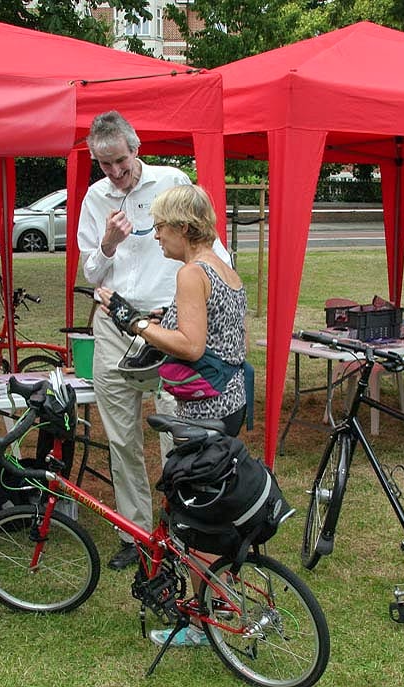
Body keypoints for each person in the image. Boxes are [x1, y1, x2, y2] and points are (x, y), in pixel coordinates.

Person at [98, 183, 248, 649]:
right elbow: (214, 332)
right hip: (231, 399)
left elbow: (193, 345)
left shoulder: (191, 273)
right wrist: (164, 320)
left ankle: (207, 621)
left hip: (204, 407)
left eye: (160, 226)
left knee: (197, 517)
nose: (155, 235)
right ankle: (222, 600)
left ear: (184, 227)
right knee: (217, 507)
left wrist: (135, 322)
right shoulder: (222, 267)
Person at [78, 111, 229, 572]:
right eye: (106, 166)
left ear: (135, 148)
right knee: (121, 436)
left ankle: (181, 526)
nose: (116, 174)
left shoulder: (171, 180)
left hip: (168, 319)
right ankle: (136, 531)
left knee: (175, 431)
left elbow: (208, 244)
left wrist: (223, 295)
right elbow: (89, 273)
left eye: (121, 162)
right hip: (115, 322)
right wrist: (106, 243)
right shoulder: (94, 198)